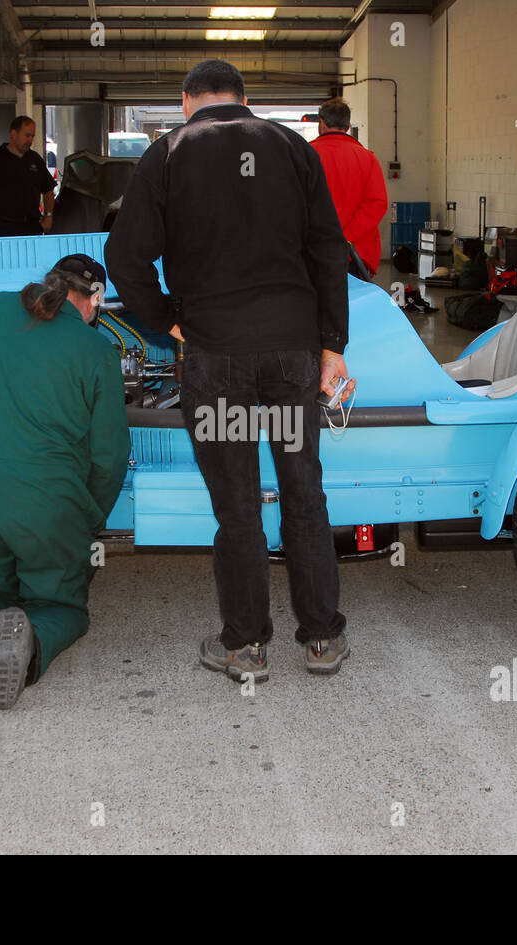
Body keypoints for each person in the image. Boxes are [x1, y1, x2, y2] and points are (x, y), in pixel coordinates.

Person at [104, 59, 353, 681]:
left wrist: (167, 322)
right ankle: (322, 640)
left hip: (217, 358)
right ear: (246, 99)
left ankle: (246, 648)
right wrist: (332, 346)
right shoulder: (294, 147)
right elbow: (328, 250)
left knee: (238, 505)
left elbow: (124, 257)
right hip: (292, 352)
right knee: (303, 491)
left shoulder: (166, 154)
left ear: (187, 100)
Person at [0, 254, 131, 708]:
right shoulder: (96, 351)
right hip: (43, 503)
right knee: (59, 603)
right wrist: (87, 517)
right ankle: (28, 645)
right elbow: (109, 456)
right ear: (94, 299)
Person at [311, 98, 388, 276]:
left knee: (317, 303)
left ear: (322, 124)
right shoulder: (368, 159)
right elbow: (376, 204)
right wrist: (346, 236)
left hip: (316, 252)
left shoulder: (306, 155)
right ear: (347, 125)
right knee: (354, 302)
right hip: (356, 255)